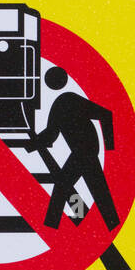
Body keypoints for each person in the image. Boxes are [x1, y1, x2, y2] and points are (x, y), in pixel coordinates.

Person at [26, 66, 120, 230]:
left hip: (85, 152)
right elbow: (51, 134)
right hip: (82, 152)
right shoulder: (61, 104)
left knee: (65, 186)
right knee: (94, 189)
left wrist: (110, 147)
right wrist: (31, 145)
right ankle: (109, 223)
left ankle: (51, 226)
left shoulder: (68, 100)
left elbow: (105, 114)